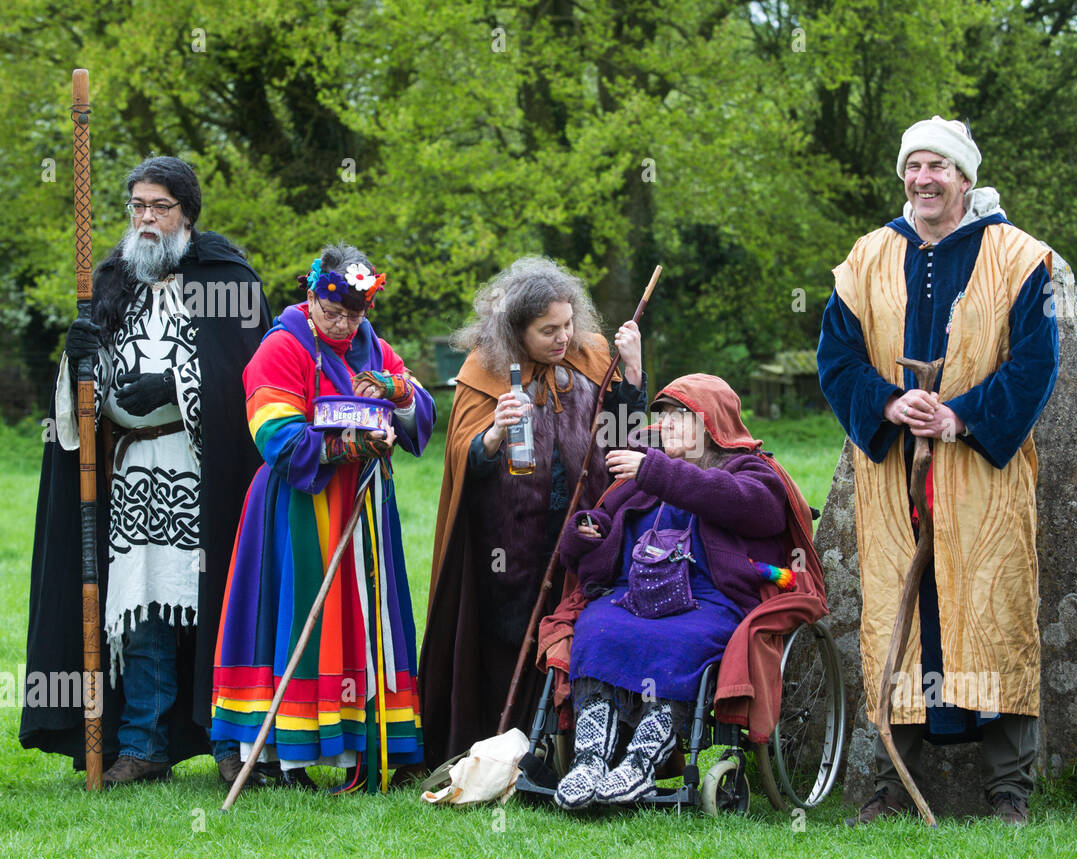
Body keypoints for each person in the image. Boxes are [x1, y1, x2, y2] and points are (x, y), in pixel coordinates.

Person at [817, 116, 1059, 825]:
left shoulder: (1018, 256)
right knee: (903, 607)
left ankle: (1008, 785)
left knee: (988, 605)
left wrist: (961, 418)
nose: (923, 179)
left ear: (964, 177)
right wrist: (889, 405)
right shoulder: (867, 258)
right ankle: (894, 780)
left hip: (981, 474)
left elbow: (1036, 364)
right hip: (896, 477)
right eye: (913, 167)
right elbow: (836, 357)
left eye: (938, 167)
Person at [21, 156, 271, 787]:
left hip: (204, 470)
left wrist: (177, 382)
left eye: (159, 206)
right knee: (142, 610)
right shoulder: (112, 278)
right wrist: (81, 362)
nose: (147, 219)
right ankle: (142, 742)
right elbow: (84, 387)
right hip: (133, 470)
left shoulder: (226, 278)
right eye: (137, 206)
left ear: (186, 212)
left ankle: (230, 743)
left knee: (219, 602)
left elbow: (244, 378)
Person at [210, 244, 435, 792]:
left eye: (353, 315)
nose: (341, 324)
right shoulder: (281, 347)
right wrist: (352, 443)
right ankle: (277, 753)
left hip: (365, 514)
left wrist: (396, 390)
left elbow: (420, 415)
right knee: (296, 618)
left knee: (366, 618)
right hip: (297, 509)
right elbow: (276, 438)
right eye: (331, 311)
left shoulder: (374, 350)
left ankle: (371, 745)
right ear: (309, 295)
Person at [418, 256, 646, 765]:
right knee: (511, 636)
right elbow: (463, 461)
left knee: (578, 630)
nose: (564, 337)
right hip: (509, 542)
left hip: (582, 530)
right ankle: (507, 746)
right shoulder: (486, 370)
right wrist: (496, 432)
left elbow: (622, 436)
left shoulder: (591, 355)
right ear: (516, 330)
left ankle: (572, 747)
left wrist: (632, 372)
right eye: (549, 330)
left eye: (568, 324)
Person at [551, 374, 795, 807]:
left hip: (711, 600)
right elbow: (607, 523)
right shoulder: (648, 470)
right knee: (596, 627)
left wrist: (659, 473)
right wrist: (588, 530)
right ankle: (591, 758)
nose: (666, 427)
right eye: (662, 418)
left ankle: (640, 765)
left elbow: (747, 507)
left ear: (711, 424)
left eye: (680, 418)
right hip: (634, 595)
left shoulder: (751, 472)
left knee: (678, 640)